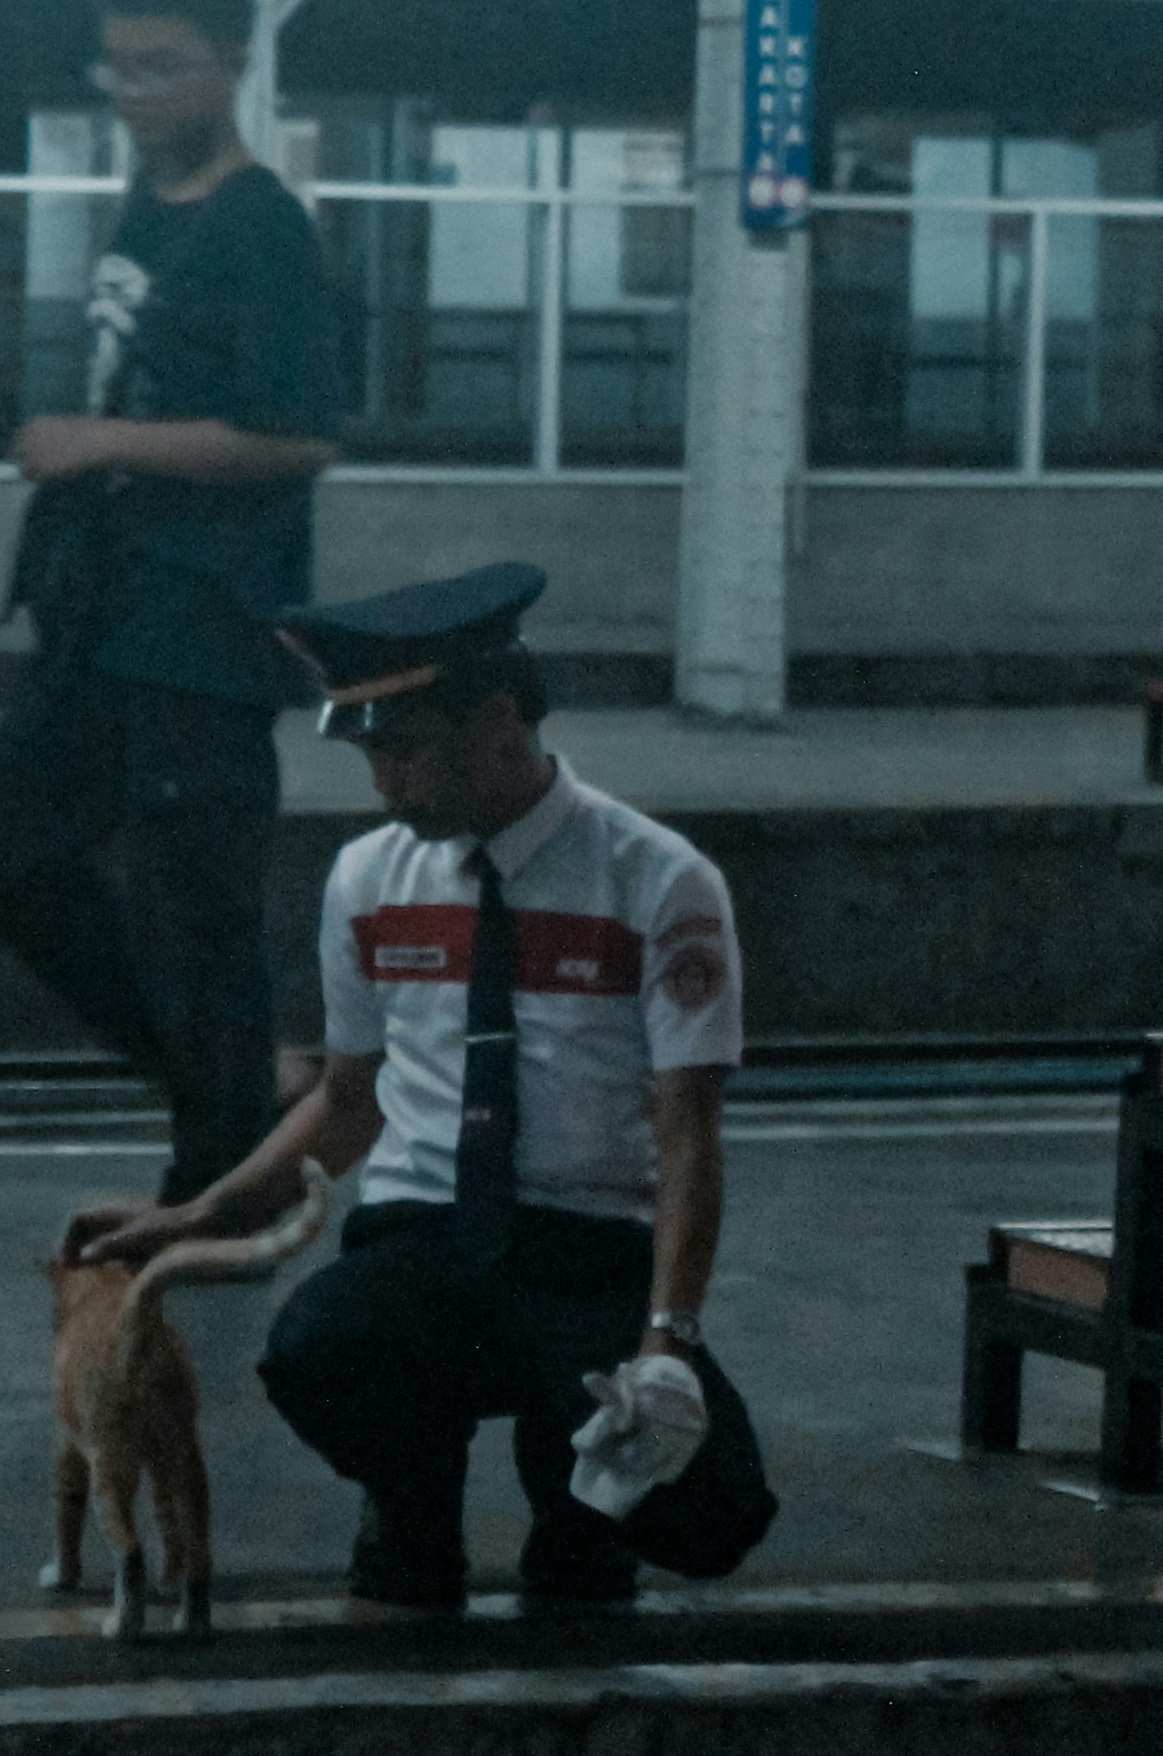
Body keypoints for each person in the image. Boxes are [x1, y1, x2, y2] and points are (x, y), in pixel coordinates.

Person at [73, 564, 777, 1613]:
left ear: (498, 724)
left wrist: (665, 1342)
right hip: (425, 1241)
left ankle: (577, 1520)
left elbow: (686, 1135)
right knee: (323, 1348)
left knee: (700, 1505)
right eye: (369, 753)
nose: (382, 785)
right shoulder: (368, 878)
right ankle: (409, 1505)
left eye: (402, 750)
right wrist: (203, 1214)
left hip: (587, 1255)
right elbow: (349, 1098)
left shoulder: (657, 881)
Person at [0, 0, 341, 1210]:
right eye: (115, 67)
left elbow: (294, 432)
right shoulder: (145, 207)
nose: (134, 92)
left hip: (200, 623)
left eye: (162, 66)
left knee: (198, 911)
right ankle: (223, 1092)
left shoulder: (259, 227)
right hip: (98, 612)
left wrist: (99, 440)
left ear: (231, 64)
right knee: (7, 851)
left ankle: (227, 1164)